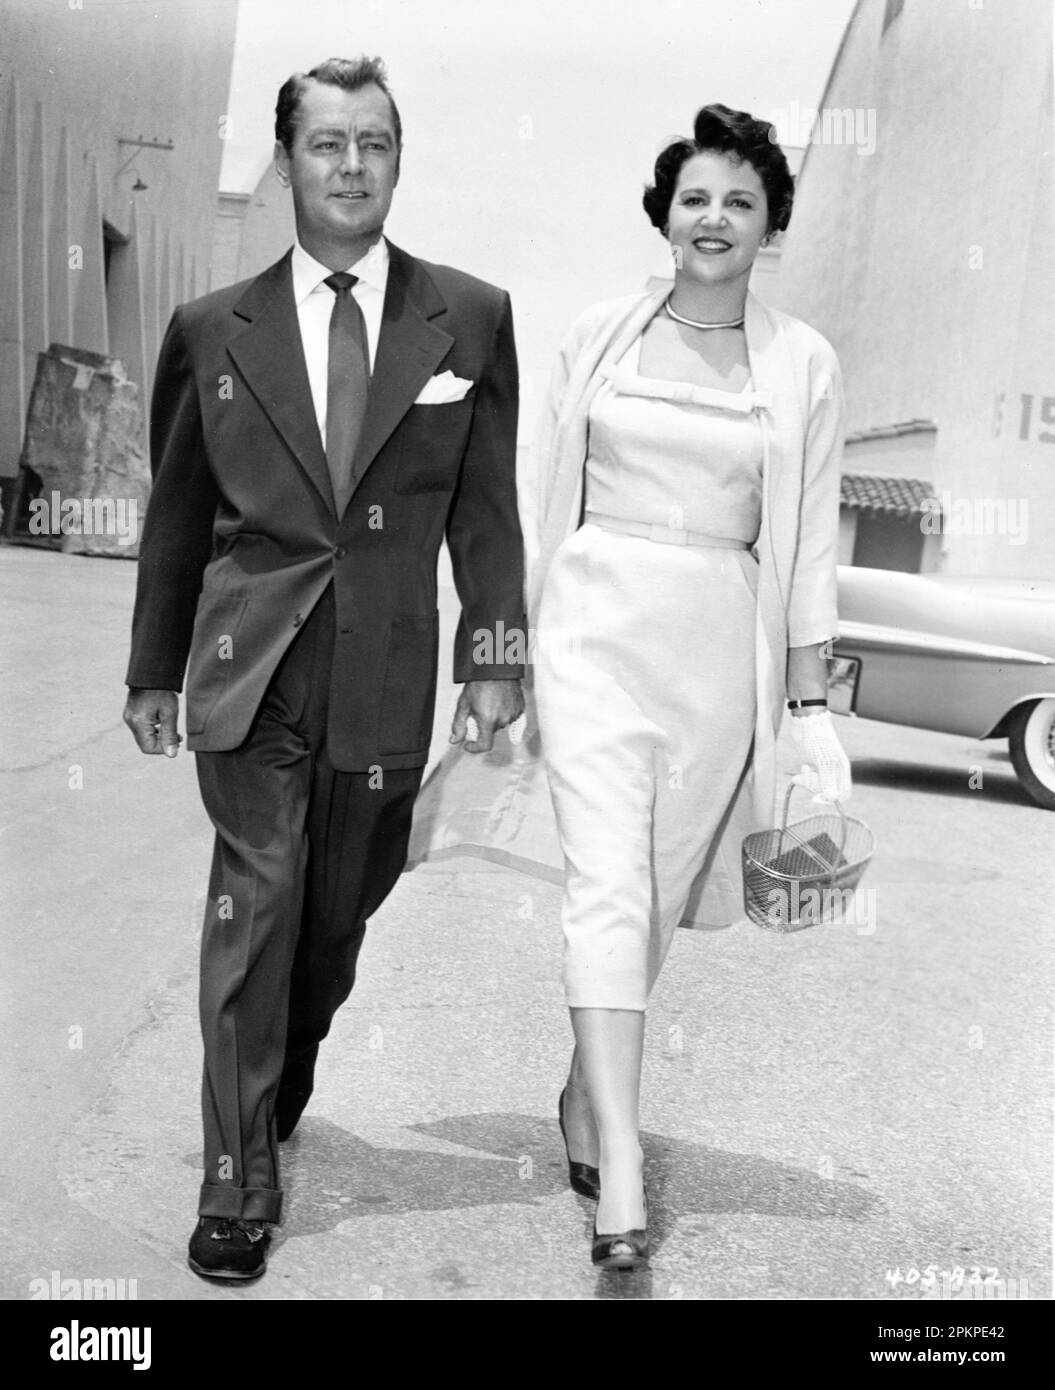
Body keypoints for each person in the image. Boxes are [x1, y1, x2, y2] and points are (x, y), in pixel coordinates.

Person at [409, 102, 851, 1271]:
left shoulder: (802, 361)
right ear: (665, 212)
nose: (713, 218)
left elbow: (804, 549)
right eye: (695, 196)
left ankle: (578, 1094)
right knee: (603, 890)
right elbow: (532, 495)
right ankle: (622, 1158)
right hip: (593, 632)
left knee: (650, 903)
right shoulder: (600, 333)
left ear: (769, 228)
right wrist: (504, 648)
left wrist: (808, 716)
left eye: (740, 202)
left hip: (716, 652)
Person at [122, 55, 524, 1282]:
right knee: (254, 907)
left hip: (387, 674)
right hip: (251, 668)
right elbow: (179, 517)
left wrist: (493, 653)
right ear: (285, 161)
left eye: (375, 145)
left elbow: (487, 510)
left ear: (397, 161)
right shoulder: (210, 329)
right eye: (327, 144)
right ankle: (236, 1170)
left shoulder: (467, 316)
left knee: (332, 920)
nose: (352, 167)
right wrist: (153, 670)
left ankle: (277, 1076)